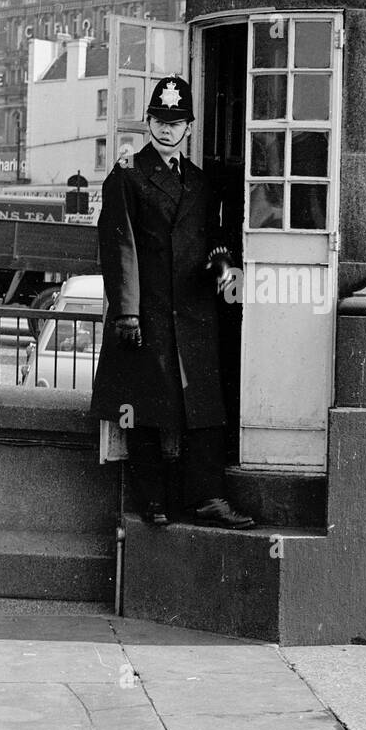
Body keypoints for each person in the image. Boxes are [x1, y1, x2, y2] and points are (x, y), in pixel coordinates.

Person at [90, 75, 255, 529]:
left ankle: (206, 498)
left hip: (195, 311)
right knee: (146, 410)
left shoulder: (199, 182)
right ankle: (154, 500)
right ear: (148, 122)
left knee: (202, 407)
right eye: (160, 120)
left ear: (188, 127)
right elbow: (119, 245)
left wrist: (224, 266)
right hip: (149, 312)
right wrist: (126, 312)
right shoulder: (127, 176)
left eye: (176, 121)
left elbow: (214, 238)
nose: (167, 129)